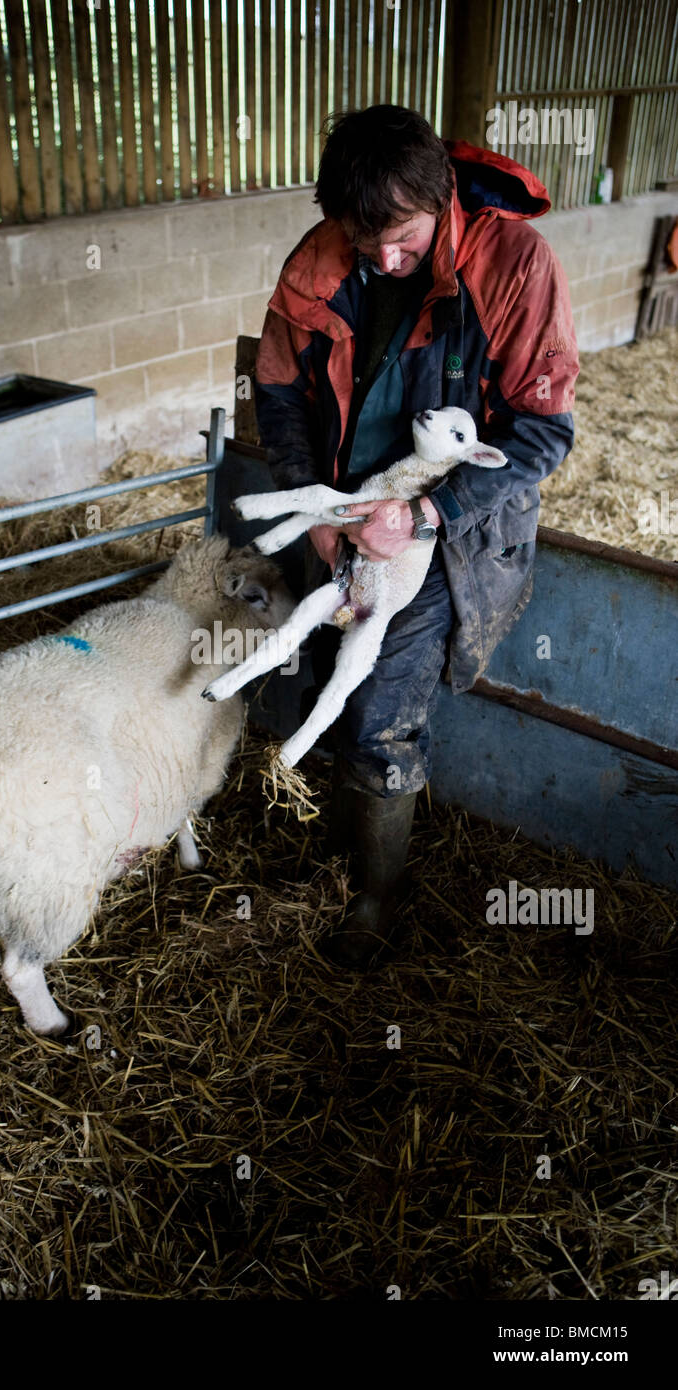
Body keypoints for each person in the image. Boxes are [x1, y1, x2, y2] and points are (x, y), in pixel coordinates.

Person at [253, 105, 579, 967]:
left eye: (400, 238)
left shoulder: (513, 264)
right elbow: (279, 393)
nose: (385, 259)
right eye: (366, 244)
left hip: (448, 531)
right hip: (345, 515)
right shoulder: (324, 260)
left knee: (380, 706)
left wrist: (426, 515)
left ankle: (375, 898)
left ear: (439, 199)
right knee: (324, 669)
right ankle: (347, 845)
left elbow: (544, 431)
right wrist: (322, 519)